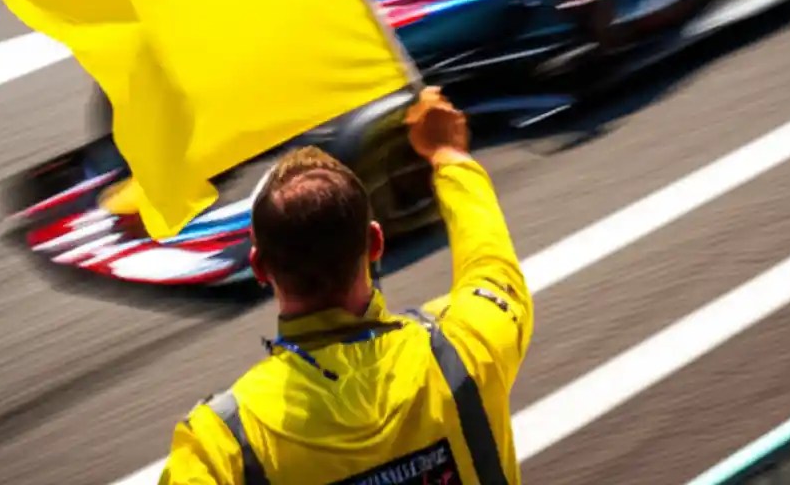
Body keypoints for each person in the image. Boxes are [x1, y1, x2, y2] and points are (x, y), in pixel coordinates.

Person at [160, 87, 533, 484]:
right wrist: (450, 156)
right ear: (375, 242)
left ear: (260, 268)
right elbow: (493, 269)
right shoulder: (465, 348)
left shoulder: (223, 444)